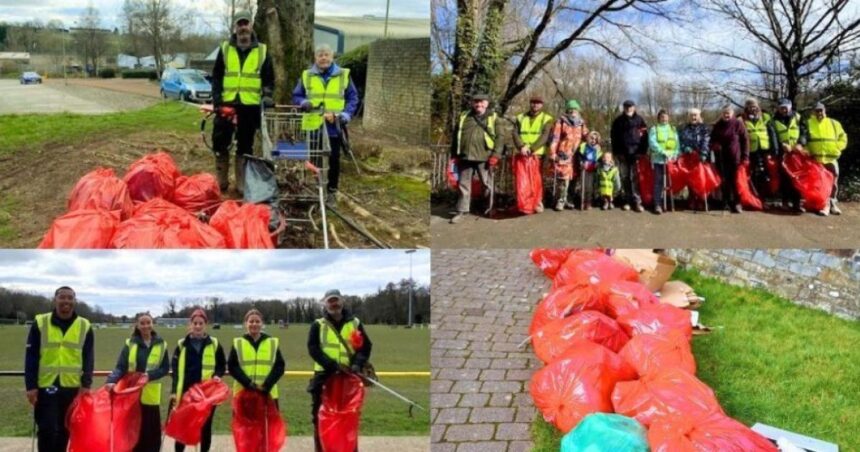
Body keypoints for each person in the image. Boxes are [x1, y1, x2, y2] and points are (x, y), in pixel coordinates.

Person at [211, 10, 275, 194]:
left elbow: (268, 78)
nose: (243, 27)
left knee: (245, 145)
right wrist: (217, 101)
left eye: (245, 23)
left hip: (250, 106)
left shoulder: (262, 51)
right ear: (235, 27)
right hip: (227, 103)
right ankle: (222, 181)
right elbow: (217, 76)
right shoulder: (225, 49)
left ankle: (241, 183)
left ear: (251, 25)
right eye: (240, 24)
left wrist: (267, 95)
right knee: (220, 142)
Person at [24, 286, 94, 452]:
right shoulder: (41, 322)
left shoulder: (84, 325)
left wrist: (86, 384)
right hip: (46, 385)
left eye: (70, 298)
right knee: (47, 430)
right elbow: (31, 357)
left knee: (65, 429)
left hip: (71, 386)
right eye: (62, 297)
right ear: (55, 300)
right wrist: (31, 386)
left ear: (75, 301)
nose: (66, 301)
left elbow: (89, 357)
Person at [293, 43, 361, 204]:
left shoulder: (343, 75)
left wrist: (344, 115)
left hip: (334, 127)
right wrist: (303, 102)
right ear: (315, 58)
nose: (323, 58)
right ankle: (317, 189)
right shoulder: (307, 75)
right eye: (320, 55)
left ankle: (331, 192)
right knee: (314, 160)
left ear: (332, 57)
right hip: (312, 126)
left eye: (326, 55)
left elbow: (353, 98)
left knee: (333, 160)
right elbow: (296, 95)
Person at [307, 289, 373, 452]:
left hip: (349, 379)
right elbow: (313, 349)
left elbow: (365, 347)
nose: (334, 304)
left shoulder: (355, 323)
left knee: (349, 420)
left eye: (336, 300)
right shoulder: (318, 325)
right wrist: (333, 365)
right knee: (320, 420)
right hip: (324, 378)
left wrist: (357, 364)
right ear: (324, 304)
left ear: (342, 301)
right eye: (330, 301)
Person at [105, 312, 170, 452]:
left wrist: (150, 376)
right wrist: (111, 380)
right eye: (142, 323)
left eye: (148, 322)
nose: (146, 326)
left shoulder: (161, 344)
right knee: (134, 431)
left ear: (153, 324)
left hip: (151, 396)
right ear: (137, 325)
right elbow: (121, 366)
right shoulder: (130, 344)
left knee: (152, 433)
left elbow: (165, 368)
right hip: (132, 395)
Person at [170, 309, 226, 452]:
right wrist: (174, 391)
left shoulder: (214, 343)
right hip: (186, 393)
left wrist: (218, 374)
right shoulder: (182, 344)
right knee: (182, 426)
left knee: (205, 427)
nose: (198, 326)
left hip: (207, 394)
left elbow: (221, 364)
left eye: (201, 323)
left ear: (206, 325)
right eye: (195, 323)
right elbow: (175, 371)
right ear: (190, 324)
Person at [449, 93, 504, 224]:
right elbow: (456, 135)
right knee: (463, 185)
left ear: (487, 103)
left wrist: (496, 155)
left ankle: (489, 207)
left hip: (484, 156)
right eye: (476, 102)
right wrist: (454, 155)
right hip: (465, 156)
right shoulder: (464, 116)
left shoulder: (494, 117)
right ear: (472, 103)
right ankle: (462, 211)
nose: (478, 104)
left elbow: (500, 138)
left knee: (487, 183)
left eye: (481, 102)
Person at [228, 309, 286, 405]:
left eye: (257, 321)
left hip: (268, 394)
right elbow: (232, 366)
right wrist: (248, 383)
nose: (254, 324)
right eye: (251, 321)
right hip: (243, 393)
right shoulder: (238, 343)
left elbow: (279, 366)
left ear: (262, 323)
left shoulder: (272, 342)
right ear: (245, 323)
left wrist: (267, 385)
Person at [801, 102, 848, 216]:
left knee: (834, 183)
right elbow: (803, 139)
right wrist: (806, 151)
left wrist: (838, 147)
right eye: (817, 110)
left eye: (821, 110)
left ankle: (833, 204)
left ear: (824, 110)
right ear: (813, 112)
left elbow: (843, 137)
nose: (819, 113)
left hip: (831, 159)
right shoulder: (808, 123)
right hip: (816, 159)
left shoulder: (834, 123)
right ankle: (823, 205)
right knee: (821, 184)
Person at [514, 96, 554, 212]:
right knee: (523, 180)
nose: (535, 105)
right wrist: (521, 146)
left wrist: (531, 149)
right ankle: (524, 203)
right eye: (533, 102)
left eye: (538, 103)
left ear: (542, 105)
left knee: (537, 180)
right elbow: (515, 134)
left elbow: (545, 136)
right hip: (522, 154)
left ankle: (537, 202)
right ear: (530, 104)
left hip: (538, 154)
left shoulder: (546, 118)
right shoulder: (520, 117)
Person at [709, 104, 749, 214]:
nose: (726, 115)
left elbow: (745, 140)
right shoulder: (718, 125)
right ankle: (725, 202)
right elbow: (711, 140)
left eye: (728, 113)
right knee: (724, 181)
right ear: (721, 114)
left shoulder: (738, 124)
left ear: (732, 113)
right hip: (721, 157)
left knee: (735, 181)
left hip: (735, 157)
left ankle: (737, 202)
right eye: (724, 113)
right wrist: (714, 145)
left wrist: (745, 156)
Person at [549, 99, 588, 211]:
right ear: (567, 110)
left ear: (578, 110)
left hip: (577, 154)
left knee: (574, 178)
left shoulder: (581, 123)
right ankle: (560, 200)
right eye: (571, 109)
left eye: (575, 109)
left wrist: (594, 141)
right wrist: (552, 152)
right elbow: (555, 138)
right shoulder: (561, 122)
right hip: (564, 153)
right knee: (563, 178)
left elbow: (586, 136)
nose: (573, 111)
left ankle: (569, 199)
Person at [610, 100, 648, 212]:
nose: (628, 108)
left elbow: (645, 137)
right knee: (624, 177)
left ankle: (637, 201)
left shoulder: (640, 120)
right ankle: (627, 200)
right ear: (623, 108)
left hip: (636, 154)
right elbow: (613, 138)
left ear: (634, 107)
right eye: (626, 106)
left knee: (635, 178)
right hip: (622, 154)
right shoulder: (618, 121)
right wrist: (616, 153)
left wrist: (642, 152)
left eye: (630, 106)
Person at [772, 98, 806, 211]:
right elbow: (773, 136)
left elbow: (804, 132)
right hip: (783, 153)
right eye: (781, 108)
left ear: (790, 107)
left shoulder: (798, 117)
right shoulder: (774, 120)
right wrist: (781, 145)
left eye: (785, 107)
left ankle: (797, 203)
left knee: (797, 177)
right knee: (785, 178)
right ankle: (785, 202)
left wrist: (801, 143)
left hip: (797, 152)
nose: (784, 110)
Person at [740, 98, 779, 199]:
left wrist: (775, 149)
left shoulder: (766, 116)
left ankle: (768, 195)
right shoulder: (742, 119)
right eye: (750, 106)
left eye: (754, 106)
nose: (753, 108)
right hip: (750, 150)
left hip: (765, 149)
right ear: (746, 108)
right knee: (752, 173)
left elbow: (772, 133)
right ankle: (754, 195)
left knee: (767, 172)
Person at [679, 108, 711, 210]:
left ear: (699, 116)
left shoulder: (704, 128)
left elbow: (706, 141)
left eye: (695, 115)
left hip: (701, 156)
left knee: (701, 178)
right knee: (690, 178)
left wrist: (704, 153)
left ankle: (701, 199)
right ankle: (692, 198)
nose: (693, 117)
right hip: (689, 156)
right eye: (691, 115)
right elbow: (681, 141)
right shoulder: (685, 128)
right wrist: (685, 148)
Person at [648, 109, 679, 215]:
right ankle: (657, 204)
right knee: (658, 182)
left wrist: (675, 153)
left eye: (666, 117)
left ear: (668, 118)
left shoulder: (673, 129)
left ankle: (670, 201)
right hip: (658, 160)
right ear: (659, 118)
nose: (664, 119)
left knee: (671, 182)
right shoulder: (654, 129)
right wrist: (662, 151)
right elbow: (652, 142)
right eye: (662, 117)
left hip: (670, 160)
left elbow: (677, 143)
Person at [577, 131, 603, 210]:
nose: (593, 140)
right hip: (584, 168)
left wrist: (597, 164)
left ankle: (588, 202)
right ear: (588, 138)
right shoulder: (583, 146)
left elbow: (599, 159)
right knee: (584, 186)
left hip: (592, 169)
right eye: (592, 138)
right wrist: (581, 162)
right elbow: (579, 156)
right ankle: (582, 201)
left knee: (590, 187)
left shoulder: (598, 149)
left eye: (595, 139)